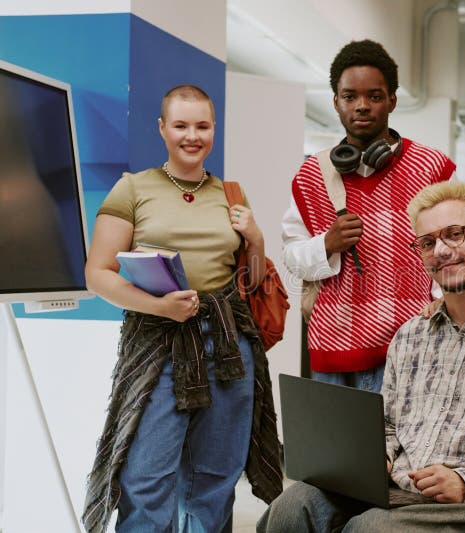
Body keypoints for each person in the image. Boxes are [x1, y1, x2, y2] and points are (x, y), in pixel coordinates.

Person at [259, 181, 465, 532]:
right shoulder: (411, 336)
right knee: (292, 507)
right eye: (428, 242)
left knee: (372, 530)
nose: (442, 250)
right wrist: (373, 460)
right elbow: (388, 426)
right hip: (398, 490)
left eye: (456, 234)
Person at [81, 85, 282, 532]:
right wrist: (160, 307)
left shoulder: (230, 193)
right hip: (159, 346)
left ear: (214, 129)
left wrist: (257, 239)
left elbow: (250, 282)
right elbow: (98, 273)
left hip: (229, 349)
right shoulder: (133, 188)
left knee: (215, 479)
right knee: (146, 478)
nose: (193, 136)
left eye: (203, 126)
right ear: (162, 129)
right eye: (181, 125)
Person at [282, 39, 456, 392]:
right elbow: (292, 257)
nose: (362, 106)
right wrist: (326, 244)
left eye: (374, 96)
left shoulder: (430, 167)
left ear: (392, 99)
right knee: (338, 448)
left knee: (402, 448)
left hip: (411, 344)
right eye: (350, 97)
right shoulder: (312, 174)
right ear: (336, 102)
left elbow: (456, 249)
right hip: (334, 346)